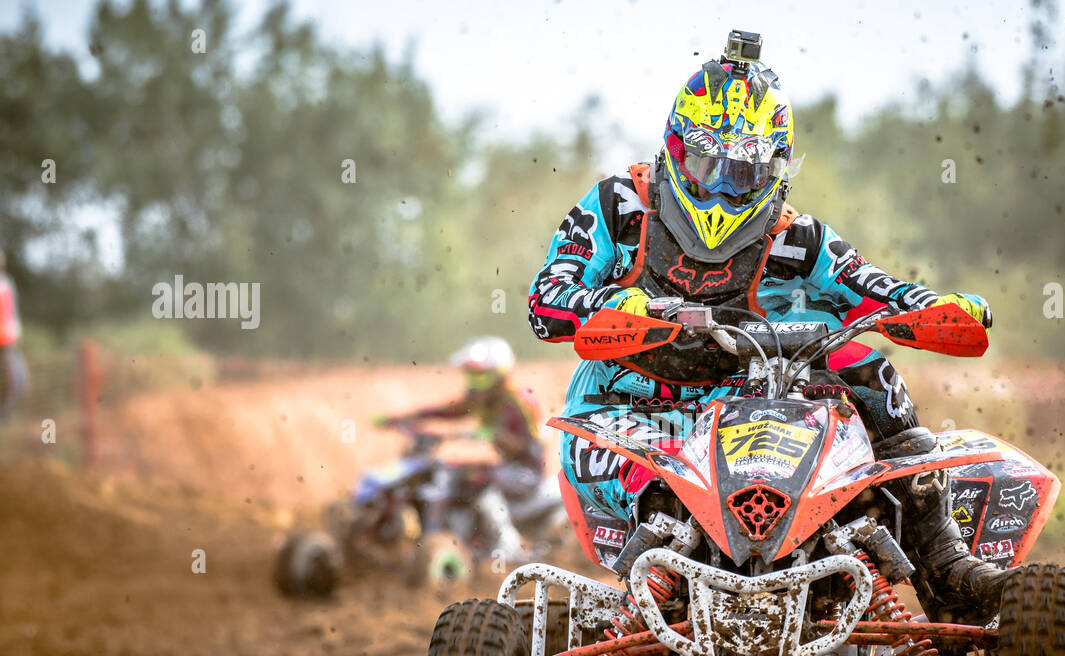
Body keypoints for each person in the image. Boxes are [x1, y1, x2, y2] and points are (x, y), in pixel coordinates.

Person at [526, 32, 1009, 624]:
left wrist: (937, 309)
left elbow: (880, 291)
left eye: (744, 173)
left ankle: (943, 565)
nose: (726, 187)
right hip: (621, 410)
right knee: (655, 493)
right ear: (675, 151)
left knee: (865, 365)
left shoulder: (795, 235)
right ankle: (652, 593)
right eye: (709, 167)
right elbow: (544, 302)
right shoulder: (617, 206)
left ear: (776, 169)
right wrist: (617, 305)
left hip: (741, 410)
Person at [378, 336, 545, 562]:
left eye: (480, 374)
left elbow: (531, 443)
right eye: (471, 374)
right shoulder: (480, 397)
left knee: (481, 477)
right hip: (505, 466)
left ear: (499, 372)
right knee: (454, 474)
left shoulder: (521, 400)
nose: (474, 380)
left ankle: (508, 545)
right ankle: (460, 538)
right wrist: (404, 419)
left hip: (526, 471)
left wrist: (495, 435)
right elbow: (447, 411)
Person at [0, 249, 28, 422]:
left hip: (8, 340)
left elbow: (13, 311)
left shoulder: (7, 283)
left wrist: (17, 330)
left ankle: (5, 415)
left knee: (18, 377)